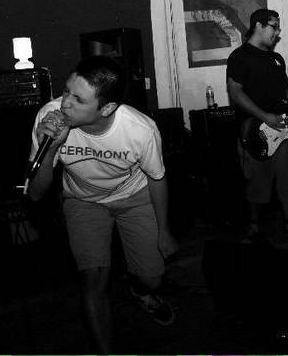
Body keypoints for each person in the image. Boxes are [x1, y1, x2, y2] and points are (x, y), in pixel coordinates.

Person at [26, 56, 178, 353]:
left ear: (106, 108)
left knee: (152, 279)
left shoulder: (140, 129)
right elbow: (34, 193)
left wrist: (164, 231)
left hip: (135, 198)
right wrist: (51, 148)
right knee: (93, 280)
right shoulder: (48, 117)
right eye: (66, 91)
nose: (65, 104)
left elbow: (157, 178)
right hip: (83, 201)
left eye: (78, 99)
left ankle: (140, 290)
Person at [226, 8, 288, 242]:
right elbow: (235, 92)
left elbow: (286, 98)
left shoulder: (277, 59)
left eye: (278, 27)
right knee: (257, 179)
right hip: (254, 129)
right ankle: (253, 226)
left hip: (282, 128)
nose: (277, 32)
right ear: (259, 26)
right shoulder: (239, 56)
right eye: (274, 26)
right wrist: (264, 117)